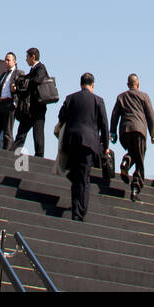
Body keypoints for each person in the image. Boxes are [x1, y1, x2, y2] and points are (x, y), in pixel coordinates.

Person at [56, 73, 109, 221]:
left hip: (72, 141)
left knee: (76, 176)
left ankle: (76, 210)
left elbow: (61, 116)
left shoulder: (70, 98)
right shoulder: (98, 100)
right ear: (92, 85)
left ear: (81, 84)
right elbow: (104, 125)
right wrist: (105, 146)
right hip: (89, 143)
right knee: (84, 178)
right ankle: (80, 212)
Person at [110, 74, 154, 202]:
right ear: (138, 84)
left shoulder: (121, 97)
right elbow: (150, 115)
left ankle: (126, 162)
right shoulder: (144, 96)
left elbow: (114, 115)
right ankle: (136, 188)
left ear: (128, 85)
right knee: (140, 159)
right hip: (139, 130)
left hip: (125, 131)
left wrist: (112, 133)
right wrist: (152, 134)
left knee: (134, 153)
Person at [11, 47, 51, 158]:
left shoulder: (41, 68)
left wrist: (25, 81)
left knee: (38, 134)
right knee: (22, 132)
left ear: (33, 57)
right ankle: (13, 152)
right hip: (30, 108)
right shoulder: (33, 70)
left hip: (38, 108)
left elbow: (37, 80)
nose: (26, 60)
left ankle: (39, 157)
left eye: (27, 57)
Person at [0, 51, 22, 149]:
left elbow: (22, 88)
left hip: (9, 104)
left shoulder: (19, 73)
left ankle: (6, 154)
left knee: (7, 132)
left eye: (8, 60)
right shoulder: (3, 74)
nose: (6, 62)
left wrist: (15, 102)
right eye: (5, 60)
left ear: (14, 61)